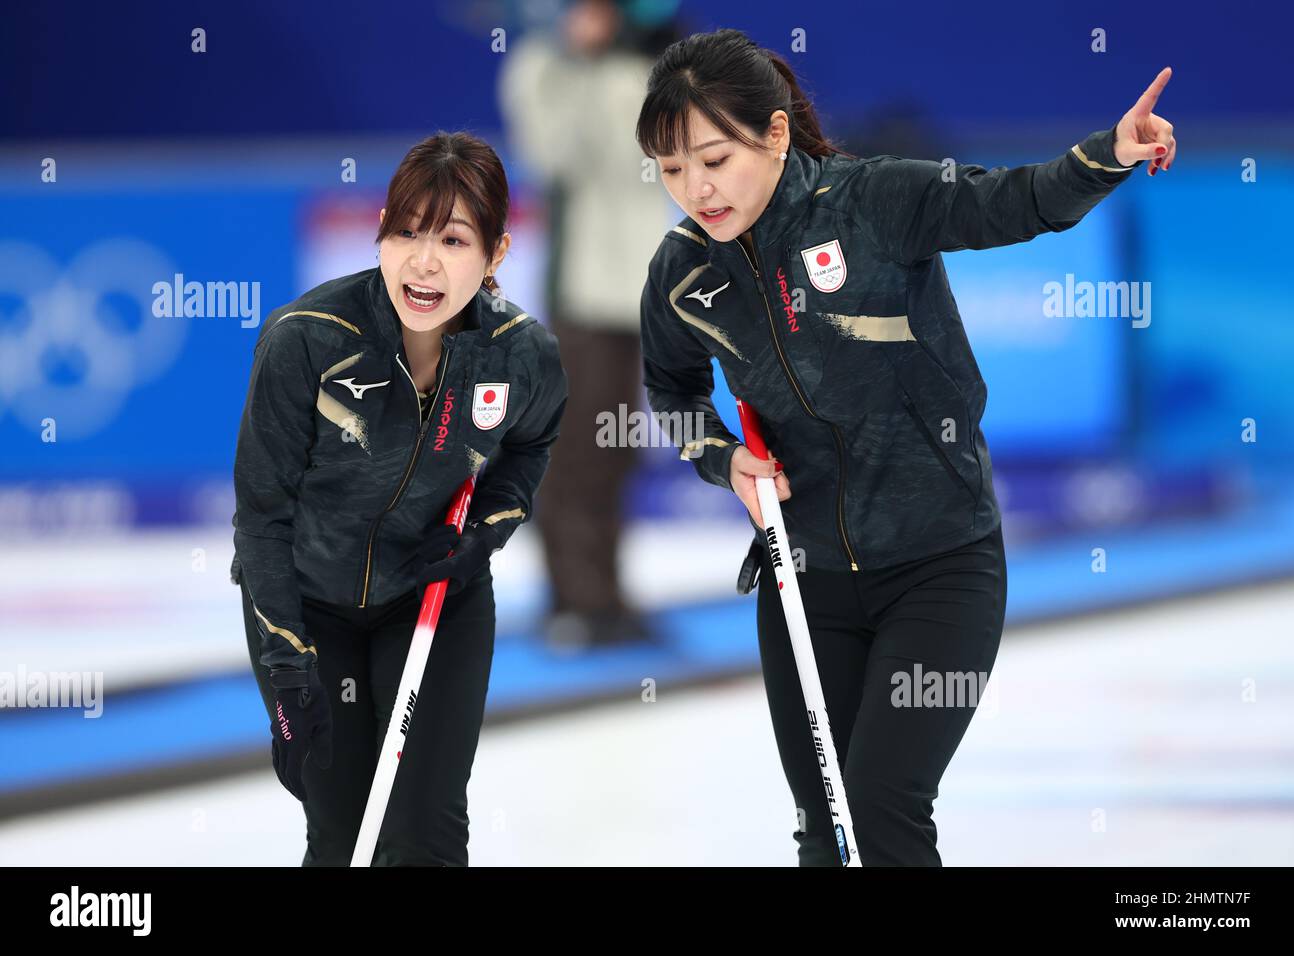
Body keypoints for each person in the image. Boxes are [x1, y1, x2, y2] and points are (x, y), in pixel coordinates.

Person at [636, 29, 1174, 865]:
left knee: (883, 810)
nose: (696, 189)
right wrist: (722, 458)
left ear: (775, 133)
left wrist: (1107, 153)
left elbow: (1015, 202)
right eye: (672, 170)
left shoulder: (874, 200)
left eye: (715, 158)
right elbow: (670, 392)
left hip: (940, 564)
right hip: (803, 580)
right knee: (825, 829)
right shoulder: (680, 275)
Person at [230, 131, 567, 866]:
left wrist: (485, 532)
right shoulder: (308, 341)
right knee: (344, 834)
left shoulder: (522, 356)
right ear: (380, 230)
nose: (424, 261)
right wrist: (288, 669)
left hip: (436, 602)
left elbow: (529, 448)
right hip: (312, 612)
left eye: (452, 238)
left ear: (497, 255)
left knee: (425, 832)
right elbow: (261, 519)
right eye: (407, 232)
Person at [499, 0, 676, 649]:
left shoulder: (649, 66)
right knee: (579, 450)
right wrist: (583, 59)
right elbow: (555, 154)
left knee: (618, 449)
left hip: (641, 292)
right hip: (584, 295)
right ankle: (571, 601)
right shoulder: (544, 66)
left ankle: (604, 593)